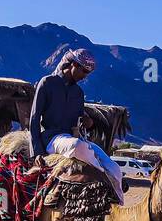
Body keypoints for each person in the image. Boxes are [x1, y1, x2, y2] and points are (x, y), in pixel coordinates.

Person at [29, 48, 124, 201]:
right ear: (73, 64)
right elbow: (33, 119)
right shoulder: (47, 83)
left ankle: (118, 202)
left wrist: (89, 123)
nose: (85, 76)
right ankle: (104, 181)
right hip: (52, 139)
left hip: (73, 138)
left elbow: (79, 120)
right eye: (84, 71)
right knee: (78, 146)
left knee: (114, 167)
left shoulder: (78, 93)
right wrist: (37, 152)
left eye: (88, 73)